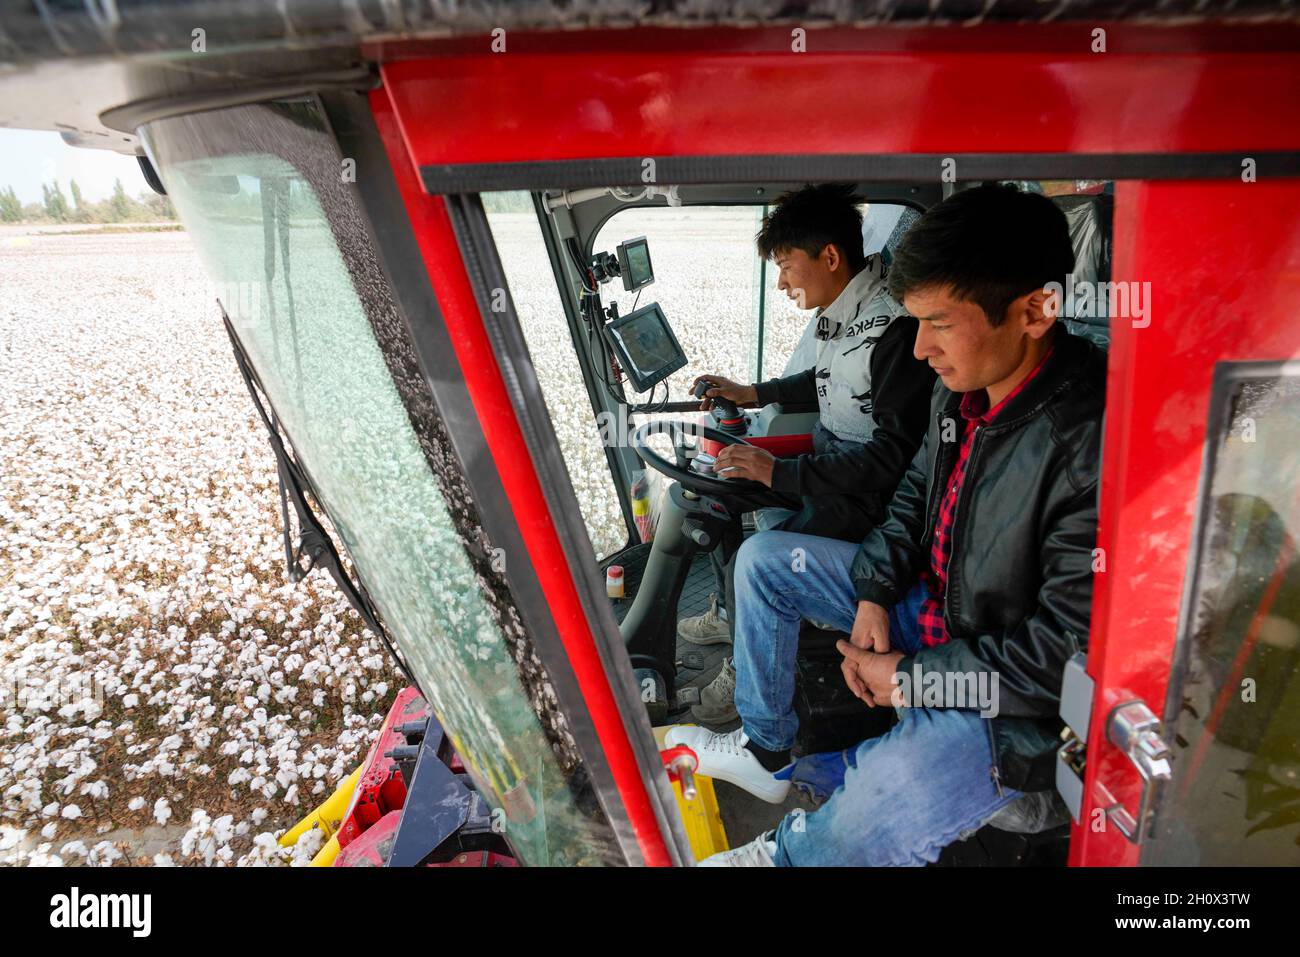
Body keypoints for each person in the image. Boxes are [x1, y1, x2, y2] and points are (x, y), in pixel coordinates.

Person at [667, 182, 1106, 866]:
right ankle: (768, 751)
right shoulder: (958, 394)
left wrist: (913, 678)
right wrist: (873, 589)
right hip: (930, 609)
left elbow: (1064, 656)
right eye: (915, 321)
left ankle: (792, 851)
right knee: (765, 563)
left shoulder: (1089, 443)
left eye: (939, 322)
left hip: (1013, 698)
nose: (921, 348)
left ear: (1033, 311)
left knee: (883, 801)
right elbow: (909, 499)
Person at [676, 185, 935, 725]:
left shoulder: (895, 328)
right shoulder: (845, 310)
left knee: (762, 547)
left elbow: (894, 459)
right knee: (725, 503)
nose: (783, 283)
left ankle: (759, 711)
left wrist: (781, 471)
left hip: (869, 499)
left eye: (788, 266)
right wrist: (756, 392)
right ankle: (734, 611)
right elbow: (827, 381)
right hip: (836, 471)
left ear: (830, 257)